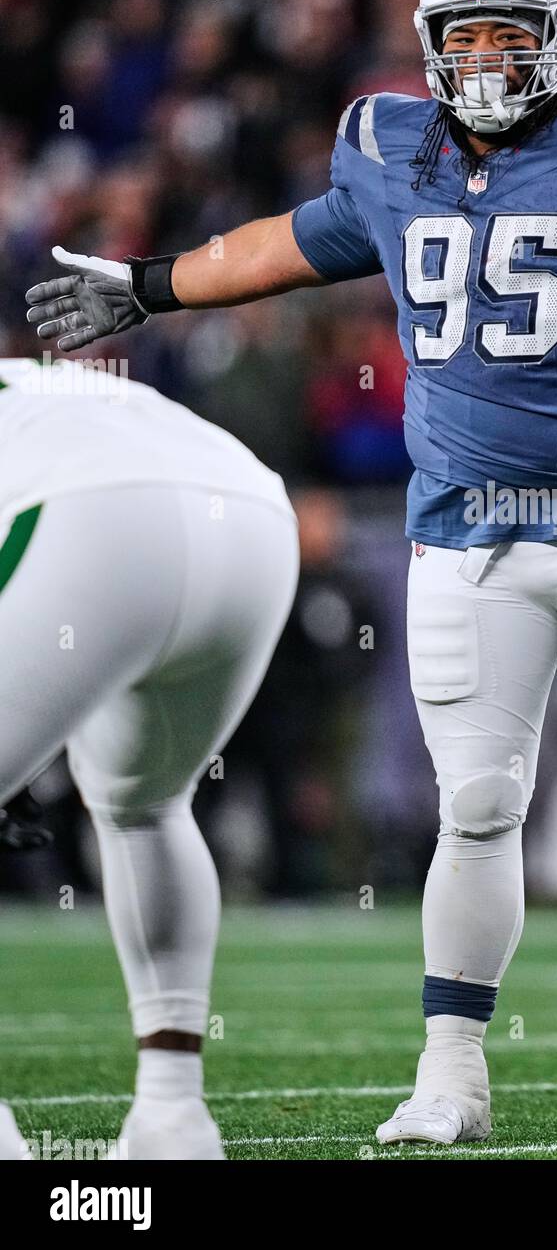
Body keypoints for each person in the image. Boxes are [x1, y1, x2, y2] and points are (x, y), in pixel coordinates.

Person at [26, 0, 557, 1146]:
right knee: (477, 807)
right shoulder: (392, 153)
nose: (486, 56)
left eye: (509, 33)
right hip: (464, 533)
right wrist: (147, 283)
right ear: (430, 45)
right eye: (464, 34)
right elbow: (284, 246)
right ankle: (452, 1072)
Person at [0, 358, 298, 1160]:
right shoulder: (42, 387)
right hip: (252, 516)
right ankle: (173, 1118)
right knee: (145, 805)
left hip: (93, 516)